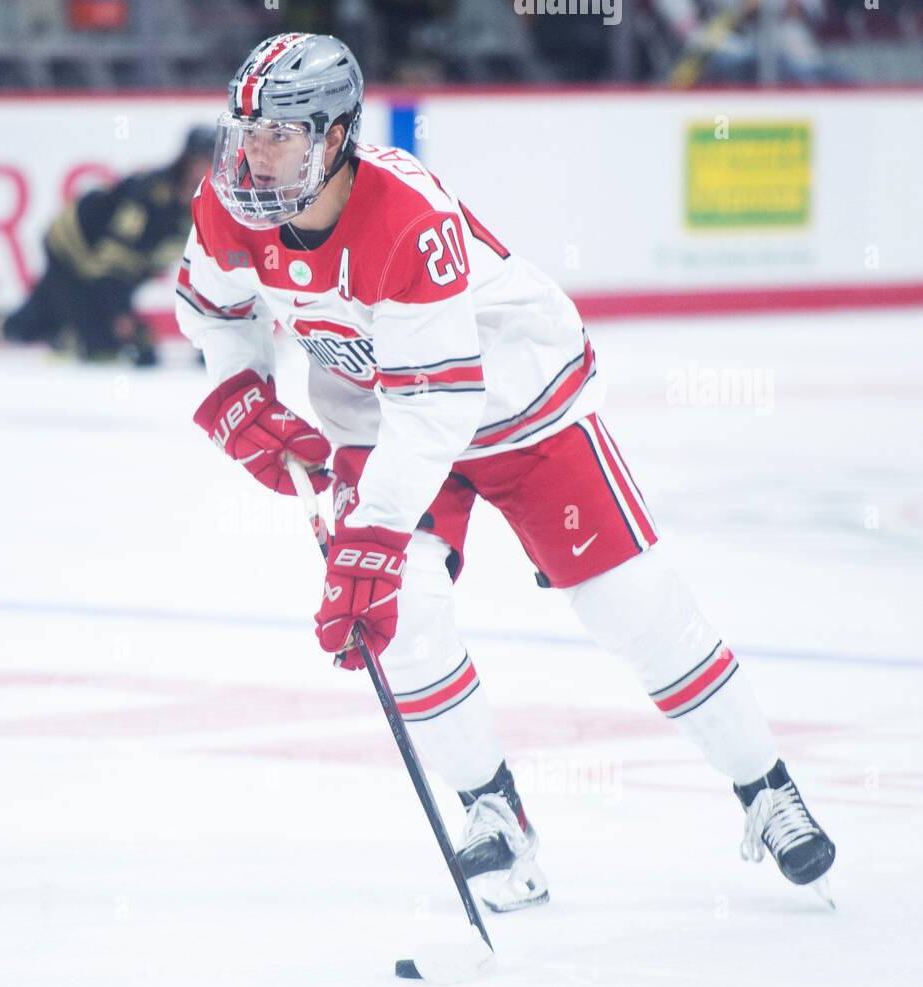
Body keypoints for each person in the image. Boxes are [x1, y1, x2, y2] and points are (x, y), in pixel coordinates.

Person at [176, 32, 836, 913]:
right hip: (382, 416)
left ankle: (767, 787)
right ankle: (495, 816)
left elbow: (439, 406)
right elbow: (213, 310)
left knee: (631, 605)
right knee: (400, 618)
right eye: (244, 132)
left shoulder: (406, 219)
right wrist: (240, 392)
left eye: (278, 135)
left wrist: (368, 536)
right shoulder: (230, 207)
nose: (253, 157)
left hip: (515, 407)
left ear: (335, 136)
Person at [0, 126, 216, 366]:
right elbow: (111, 265)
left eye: (210, 161)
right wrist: (118, 315)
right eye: (199, 160)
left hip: (98, 270)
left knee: (23, 327)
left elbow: (194, 266)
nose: (205, 169)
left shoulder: (199, 205)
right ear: (185, 161)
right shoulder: (149, 199)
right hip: (72, 255)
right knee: (105, 348)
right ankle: (70, 338)